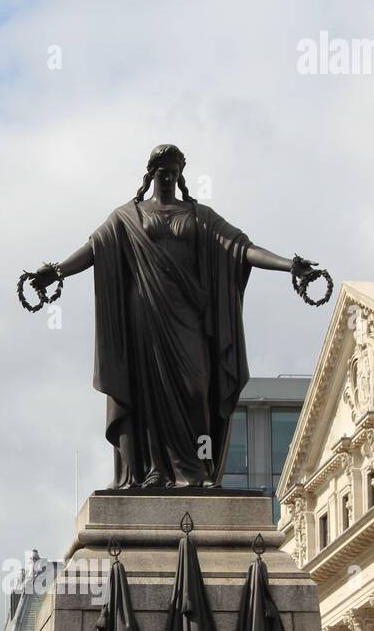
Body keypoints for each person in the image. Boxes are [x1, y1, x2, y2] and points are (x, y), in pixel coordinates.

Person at [27, 143, 324, 489]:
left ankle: (196, 471)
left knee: (196, 388)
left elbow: (242, 248)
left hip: (188, 315)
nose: (167, 177)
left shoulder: (201, 217)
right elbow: (95, 250)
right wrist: (57, 271)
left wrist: (290, 265)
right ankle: (153, 470)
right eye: (162, 171)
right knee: (147, 393)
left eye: (174, 171)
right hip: (145, 315)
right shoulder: (126, 217)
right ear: (150, 174)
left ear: (181, 175)